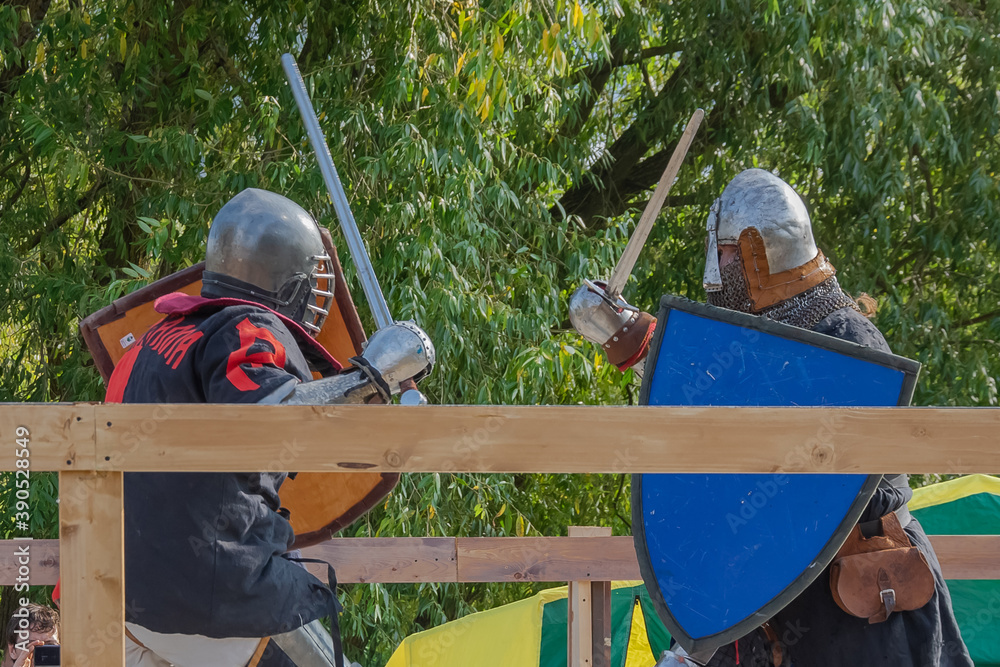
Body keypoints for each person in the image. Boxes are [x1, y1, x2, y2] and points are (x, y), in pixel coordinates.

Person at [570, 169, 972, 666]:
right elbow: (713, 399)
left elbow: (807, 486)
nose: (715, 270)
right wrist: (621, 327)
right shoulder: (770, 342)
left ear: (759, 254)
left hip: (859, 591)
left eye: (724, 253)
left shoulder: (846, 338)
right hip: (783, 591)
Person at [108, 188, 433, 667]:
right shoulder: (244, 327)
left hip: (123, 597)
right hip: (208, 600)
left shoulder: (156, 339)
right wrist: (372, 376)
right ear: (293, 285)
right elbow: (277, 417)